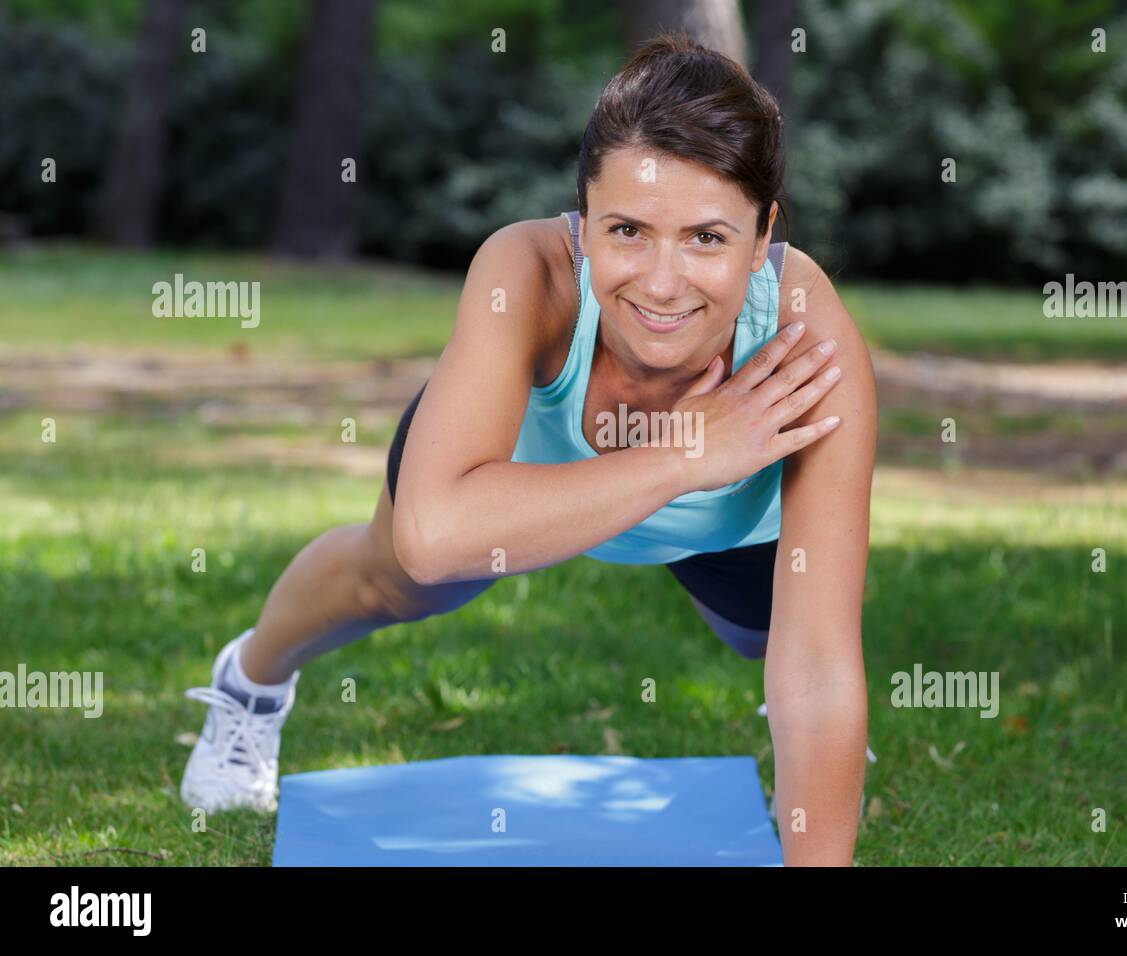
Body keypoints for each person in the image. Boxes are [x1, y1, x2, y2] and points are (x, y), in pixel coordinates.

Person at [180, 32, 876, 866]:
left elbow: (822, 665)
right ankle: (249, 686)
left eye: (706, 238)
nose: (660, 283)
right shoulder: (528, 273)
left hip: (723, 518)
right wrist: (687, 454)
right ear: (582, 223)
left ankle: (806, 755)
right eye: (627, 230)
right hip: (514, 480)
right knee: (387, 580)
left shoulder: (804, 332)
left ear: (763, 238)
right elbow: (434, 537)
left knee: (780, 639)